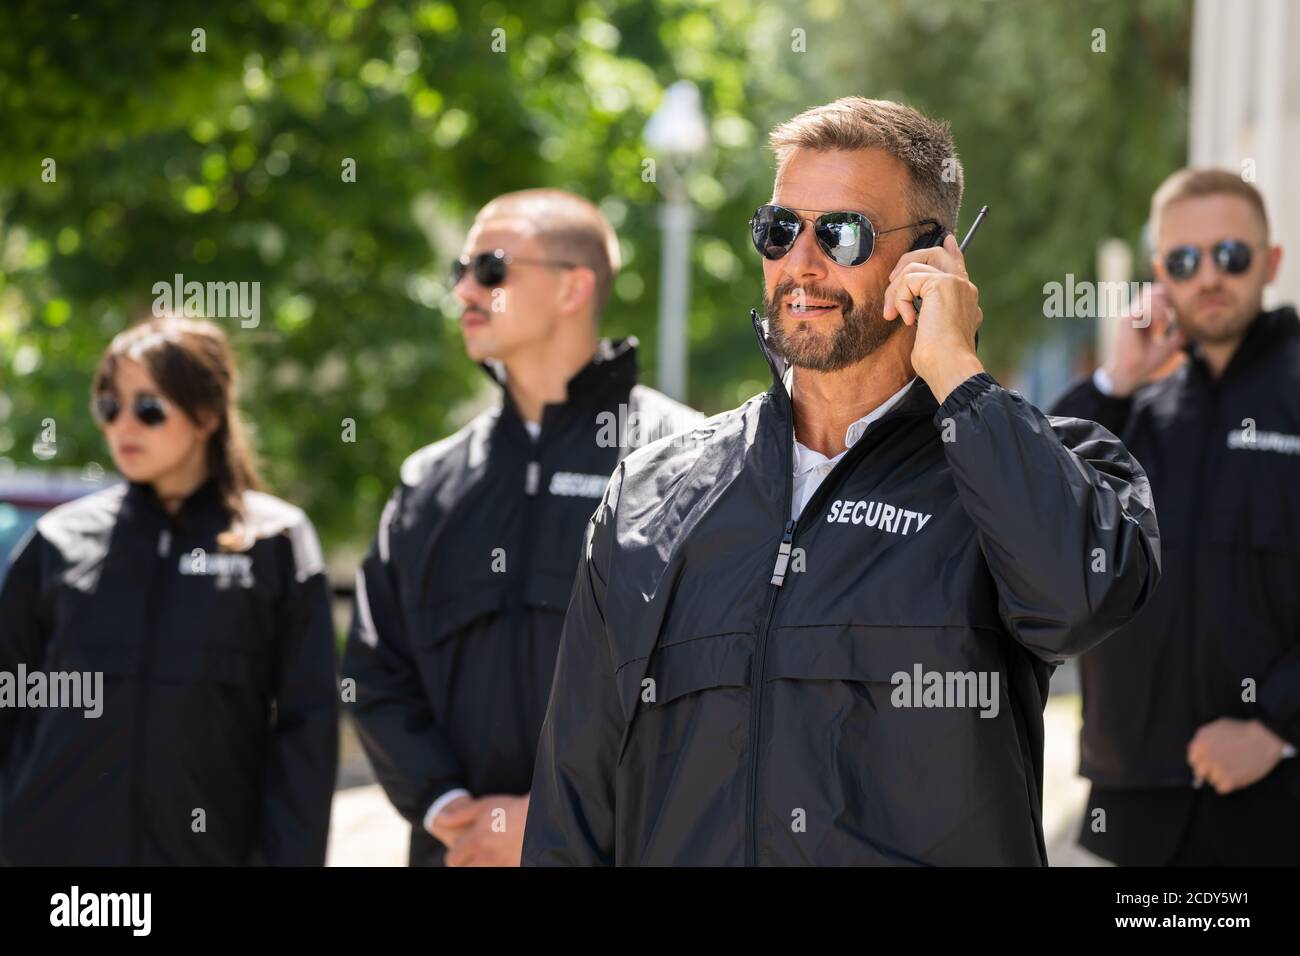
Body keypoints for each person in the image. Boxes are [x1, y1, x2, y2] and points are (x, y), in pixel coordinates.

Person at [522, 97, 1161, 866]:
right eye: (780, 228)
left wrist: (959, 375)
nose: (801, 262)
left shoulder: (1032, 467)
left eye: (843, 233)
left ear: (932, 259)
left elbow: (1080, 602)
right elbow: (572, 799)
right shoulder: (649, 495)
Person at [343, 189, 701, 867]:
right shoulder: (429, 482)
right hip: (459, 852)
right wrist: (445, 807)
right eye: (460, 271)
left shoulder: (686, 458)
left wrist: (551, 820)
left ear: (574, 288)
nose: (464, 291)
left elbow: (713, 686)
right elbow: (374, 669)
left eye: (491, 270)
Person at [0, 316, 339, 865]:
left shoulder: (275, 544)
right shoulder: (58, 541)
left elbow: (307, 728)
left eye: (149, 408)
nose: (123, 426)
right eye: (110, 407)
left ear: (206, 414)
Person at [1051, 168, 1300, 866]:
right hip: (1132, 806)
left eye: (1233, 254)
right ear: (1161, 273)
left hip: (1276, 799)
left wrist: (1278, 728)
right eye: (1185, 261)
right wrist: (1114, 381)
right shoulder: (1134, 412)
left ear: (1271, 261)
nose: (1209, 277)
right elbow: (1034, 510)